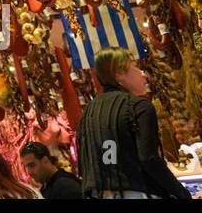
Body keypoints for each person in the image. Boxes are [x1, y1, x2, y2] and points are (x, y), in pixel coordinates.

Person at [76, 48, 190, 199]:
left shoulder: (88, 112)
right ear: (119, 74)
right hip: (138, 193)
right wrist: (181, 193)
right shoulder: (138, 107)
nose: (142, 73)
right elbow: (149, 158)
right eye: (134, 66)